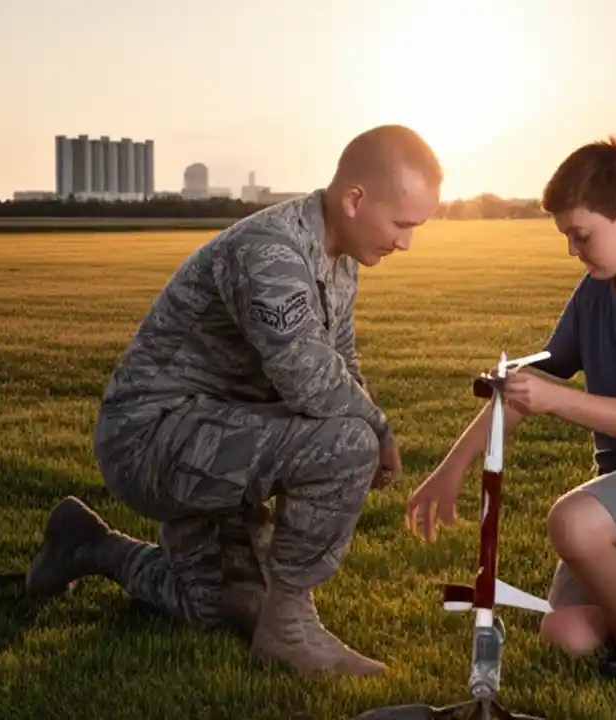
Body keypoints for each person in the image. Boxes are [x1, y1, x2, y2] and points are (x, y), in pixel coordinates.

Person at [25, 124, 442, 677]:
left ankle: (90, 546)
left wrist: (368, 411)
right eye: (402, 224)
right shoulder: (269, 252)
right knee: (346, 442)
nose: (406, 242)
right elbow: (310, 382)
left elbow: (342, 363)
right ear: (355, 199)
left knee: (219, 608)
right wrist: (380, 428)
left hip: (215, 438)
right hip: (153, 441)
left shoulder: (338, 261)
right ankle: (288, 630)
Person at [405, 136, 616, 680]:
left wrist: (556, 399)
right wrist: (451, 471)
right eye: (567, 237)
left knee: (573, 522)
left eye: (581, 235)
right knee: (566, 635)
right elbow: (531, 384)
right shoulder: (596, 289)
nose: (573, 250)